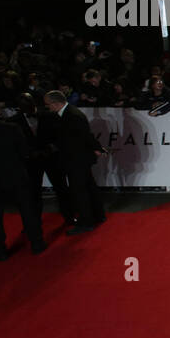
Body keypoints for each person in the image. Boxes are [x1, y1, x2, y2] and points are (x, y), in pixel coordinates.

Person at [0, 99, 46, 259]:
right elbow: (24, 152)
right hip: (14, 176)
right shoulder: (11, 128)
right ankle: (37, 244)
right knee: (27, 210)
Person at [43, 89, 106, 234]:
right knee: (88, 187)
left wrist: (97, 148)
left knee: (79, 191)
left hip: (76, 159)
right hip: (77, 158)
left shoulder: (72, 115)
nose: (47, 107)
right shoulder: (68, 114)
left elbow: (85, 136)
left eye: (48, 104)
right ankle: (98, 215)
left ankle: (86, 222)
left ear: (56, 103)